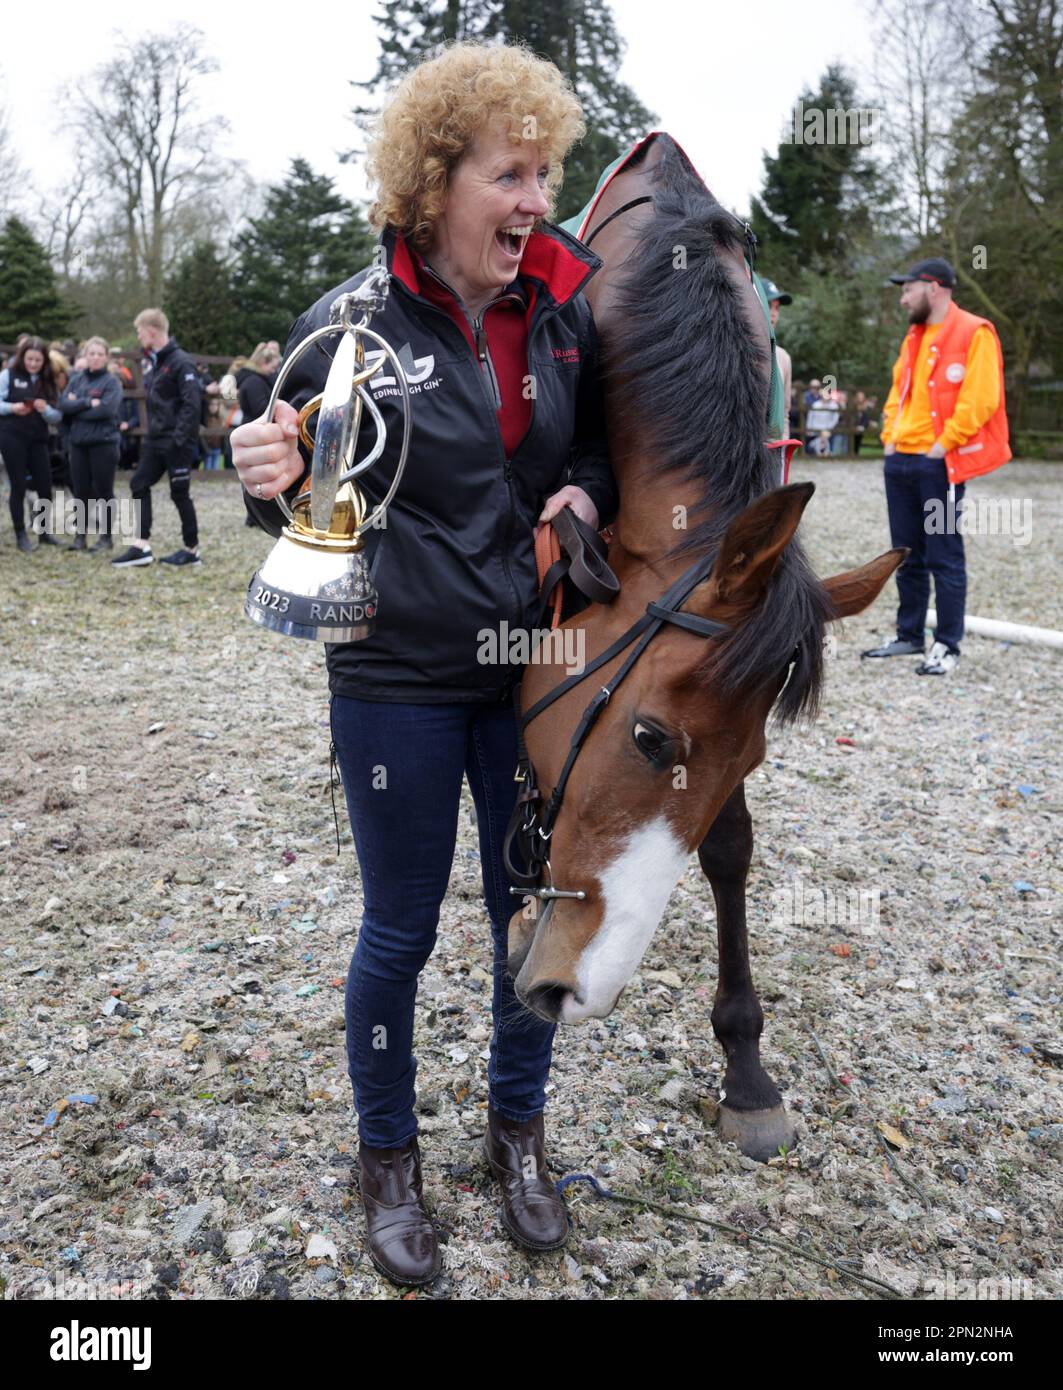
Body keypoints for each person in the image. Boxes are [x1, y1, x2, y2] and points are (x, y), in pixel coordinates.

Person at [231, 39, 617, 1288]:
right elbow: (302, 502)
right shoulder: (343, 324)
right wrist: (264, 478)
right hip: (392, 676)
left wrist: (584, 496)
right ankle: (387, 1160)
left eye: (546, 172)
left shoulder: (562, 310)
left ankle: (519, 1138)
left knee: (535, 913)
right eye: (512, 174)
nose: (537, 201)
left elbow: (604, 456)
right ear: (435, 178)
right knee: (399, 929)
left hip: (531, 670)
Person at [863, 257, 1010, 675]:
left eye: (907, 289)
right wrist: (889, 438)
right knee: (906, 552)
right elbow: (899, 392)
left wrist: (942, 446)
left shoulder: (974, 331)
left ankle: (947, 643)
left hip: (937, 465)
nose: (902, 298)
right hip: (901, 461)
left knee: (944, 554)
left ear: (932, 288)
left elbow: (981, 399)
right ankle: (909, 635)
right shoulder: (914, 336)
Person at [111, 308, 203, 568]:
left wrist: (179, 439)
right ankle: (141, 546)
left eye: (140, 332)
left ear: (152, 331)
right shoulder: (153, 361)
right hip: (155, 439)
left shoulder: (181, 362)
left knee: (179, 493)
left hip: (176, 441)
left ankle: (192, 549)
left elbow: (191, 404)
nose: (138, 337)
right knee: (139, 483)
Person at [58, 335, 123, 551]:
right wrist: (87, 403)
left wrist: (78, 409)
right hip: (78, 444)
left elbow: (106, 410)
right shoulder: (76, 379)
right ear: (85, 356)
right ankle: (80, 537)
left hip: (103, 443)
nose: (95, 358)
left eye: (99, 354)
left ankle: (106, 538)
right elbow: (63, 405)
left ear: (106, 358)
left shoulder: (112, 382)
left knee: (104, 490)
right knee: (80, 490)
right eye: (91, 354)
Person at [0, 335, 64, 552]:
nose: (33, 364)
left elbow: (57, 416)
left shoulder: (48, 382)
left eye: (38, 360)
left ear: (44, 360)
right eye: (30, 359)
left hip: (38, 438)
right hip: (12, 436)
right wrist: (12, 408)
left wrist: (44, 409)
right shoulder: (8, 375)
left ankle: (44, 532)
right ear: (22, 357)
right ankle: (20, 535)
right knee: (18, 486)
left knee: (45, 486)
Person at [761, 277, 792, 423]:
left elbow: (784, 414)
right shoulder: (734, 351)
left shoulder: (783, 358)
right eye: (768, 305)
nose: (774, 313)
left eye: (777, 308)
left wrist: (782, 445)